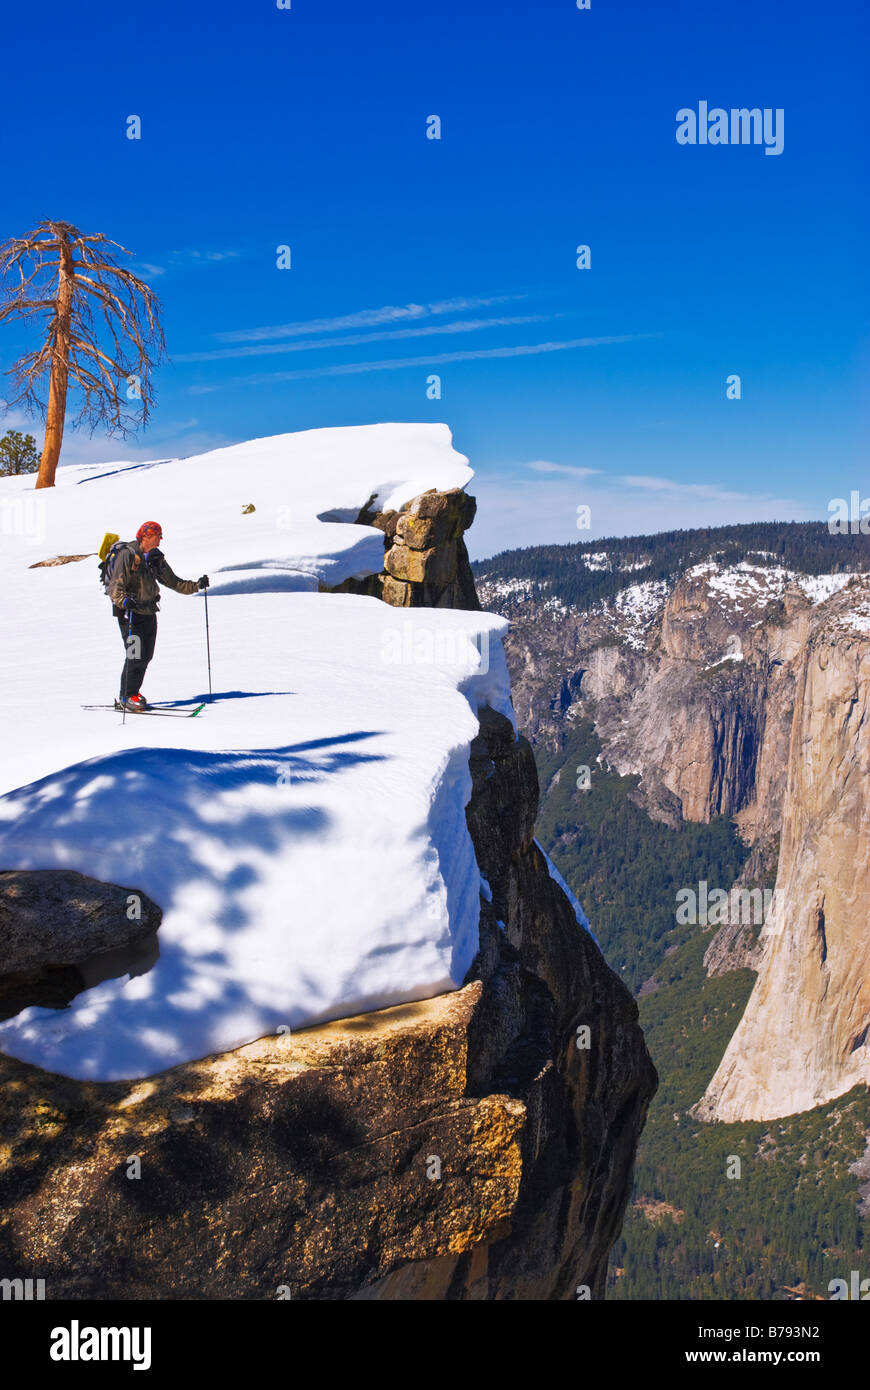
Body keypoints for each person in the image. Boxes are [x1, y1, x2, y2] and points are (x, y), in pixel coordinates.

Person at [108, 521, 209, 712]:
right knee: (135, 655)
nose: (160, 539)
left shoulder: (155, 558)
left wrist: (197, 585)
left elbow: (175, 582)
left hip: (148, 612)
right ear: (146, 536)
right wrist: (125, 602)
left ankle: (132, 694)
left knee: (146, 655)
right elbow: (115, 587)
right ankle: (127, 696)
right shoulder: (127, 554)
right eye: (158, 535)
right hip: (129, 614)